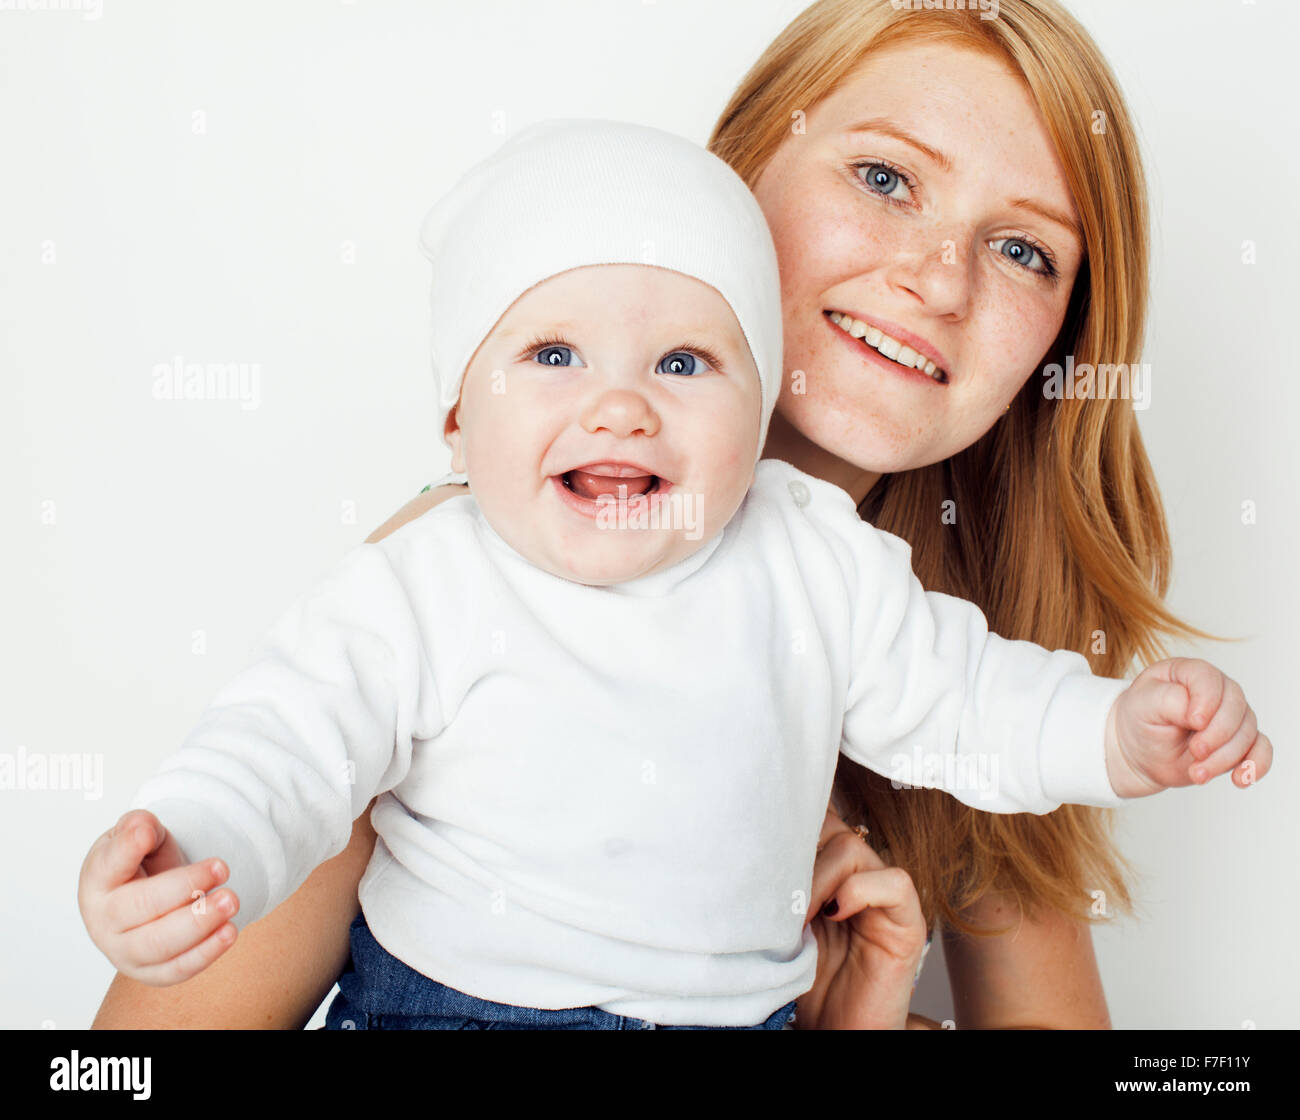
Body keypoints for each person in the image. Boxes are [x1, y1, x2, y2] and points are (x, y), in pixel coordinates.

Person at [86, 0, 1267, 1031]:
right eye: (883, 177)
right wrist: (188, 842)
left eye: (1022, 249)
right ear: (737, 178)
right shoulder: (472, 579)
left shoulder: (949, 634)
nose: (939, 275)